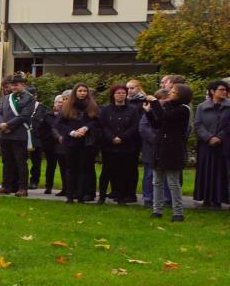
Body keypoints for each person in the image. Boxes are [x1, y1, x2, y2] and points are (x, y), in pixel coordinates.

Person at [144, 84, 194, 222]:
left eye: (173, 92)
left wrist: (155, 101)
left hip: (173, 149)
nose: (170, 93)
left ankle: (178, 212)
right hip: (160, 147)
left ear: (180, 95)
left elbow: (166, 117)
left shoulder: (183, 109)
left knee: (173, 182)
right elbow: (158, 124)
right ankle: (157, 210)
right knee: (157, 181)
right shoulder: (167, 106)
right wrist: (148, 112)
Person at [97, 84, 142, 205]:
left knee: (123, 172)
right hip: (109, 146)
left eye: (123, 93)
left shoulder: (133, 110)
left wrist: (122, 137)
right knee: (106, 172)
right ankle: (101, 197)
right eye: (118, 93)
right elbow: (103, 125)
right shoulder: (106, 110)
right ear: (113, 95)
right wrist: (112, 138)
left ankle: (121, 197)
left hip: (126, 145)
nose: (121, 95)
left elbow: (134, 126)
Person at [56, 83, 100, 203]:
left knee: (83, 170)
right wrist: (71, 132)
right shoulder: (67, 106)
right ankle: (70, 196)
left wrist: (86, 128)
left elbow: (96, 121)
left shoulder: (92, 106)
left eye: (84, 91)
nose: (82, 93)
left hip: (85, 142)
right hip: (71, 142)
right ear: (75, 92)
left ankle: (81, 195)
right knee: (71, 169)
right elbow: (59, 123)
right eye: (80, 91)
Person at [0, 73, 35, 196]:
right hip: (4, 134)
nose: (13, 87)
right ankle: (6, 186)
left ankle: (22, 188)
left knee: (20, 162)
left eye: (16, 85)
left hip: (19, 134)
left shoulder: (29, 98)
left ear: (23, 85)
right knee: (7, 162)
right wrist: (1, 124)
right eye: (12, 85)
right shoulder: (6, 98)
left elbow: (24, 116)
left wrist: (8, 125)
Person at [193, 80, 229, 209]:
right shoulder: (202, 107)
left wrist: (219, 137)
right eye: (221, 90)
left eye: (226, 90)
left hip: (224, 144)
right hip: (206, 145)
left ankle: (219, 199)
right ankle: (206, 199)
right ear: (212, 91)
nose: (224, 92)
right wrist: (208, 138)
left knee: (221, 172)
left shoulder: (229, 106)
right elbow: (198, 124)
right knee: (206, 170)